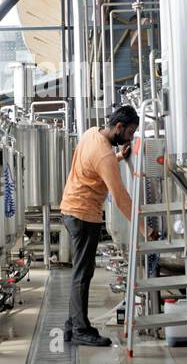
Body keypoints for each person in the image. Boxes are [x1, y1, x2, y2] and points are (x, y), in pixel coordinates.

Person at [59, 104, 155, 346]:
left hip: (71, 209)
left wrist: (119, 157)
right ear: (119, 127)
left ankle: (72, 324)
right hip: (83, 215)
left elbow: (96, 164)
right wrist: (144, 229)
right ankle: (80, 329)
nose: (130, 137)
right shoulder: (105, 156)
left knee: (81, 272)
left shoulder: (91, 134)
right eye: (130, 132)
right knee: (83, 274)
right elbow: (121, 198)